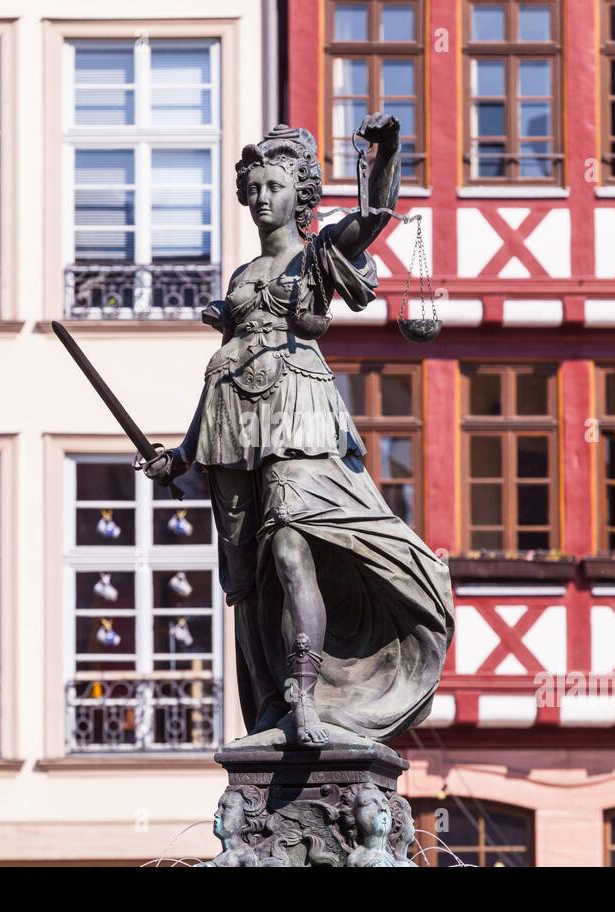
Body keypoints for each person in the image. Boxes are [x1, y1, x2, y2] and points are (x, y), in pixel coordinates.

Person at [143, 115, 453, 748]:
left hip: (295, 414)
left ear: (302, 194)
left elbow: (373, 216)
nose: (261, 199)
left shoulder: (317, 254)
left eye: (274, 187)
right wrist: (181, 453)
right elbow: (221, 370)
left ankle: (306, 697)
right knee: (250, 583)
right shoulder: (241, 277)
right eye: (253, 188)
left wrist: (388, 150)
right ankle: (269, 711)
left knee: (290, 545)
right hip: (231, 424)